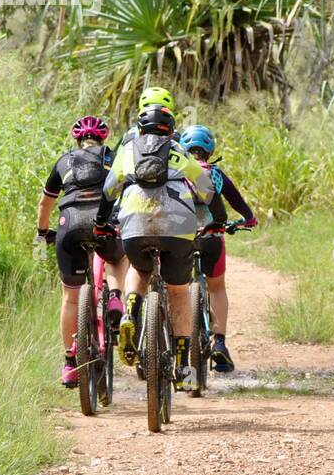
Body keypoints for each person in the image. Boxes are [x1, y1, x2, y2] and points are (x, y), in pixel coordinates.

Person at [95, 104, 215, 391]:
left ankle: (130, 314)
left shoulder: (127, 151)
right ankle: (184, 369)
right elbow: (207, 188)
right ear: (171, 131)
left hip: (135, 227)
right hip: (177, 227)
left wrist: (101, 222)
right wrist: (218, 219)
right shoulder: (179, 152)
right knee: (178, 292)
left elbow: (109, 190)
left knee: (138, 267)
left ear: (139, 130)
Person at [36, 117, 129, 388]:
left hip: (69, 225)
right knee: (117, 258)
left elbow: (45, 204)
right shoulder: (113, 157)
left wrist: (43, 234)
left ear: (77, 140)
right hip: (104, 220)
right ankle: (114, 299)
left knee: (71, 298)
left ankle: (69, 363)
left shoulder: (64, 161)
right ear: (104, 139)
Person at [179, 124, 258, 373]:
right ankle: (220, 343)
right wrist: (248, 220)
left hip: (181, 238)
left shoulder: (177, 172)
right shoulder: (215, 173)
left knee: (177, 290)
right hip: (212, 237)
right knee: (217, 287)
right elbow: (239, 205)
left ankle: (177, 343)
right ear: (210, 150)